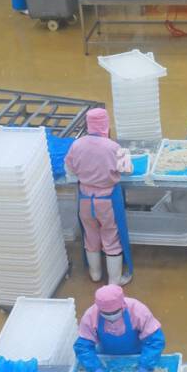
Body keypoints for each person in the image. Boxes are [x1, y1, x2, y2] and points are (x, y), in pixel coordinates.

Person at [65, 107, 134, 286]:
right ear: (106, 126)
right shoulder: (113, 147)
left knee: (91, 236)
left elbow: (70, 169)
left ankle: (95, 274)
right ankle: (114, 280)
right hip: (107, 200)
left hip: (86, 200)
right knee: (111, 237)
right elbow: (127, 169)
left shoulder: (77, 144)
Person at [73, 284, 164, 372]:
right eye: (106, 313)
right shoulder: (90, 316)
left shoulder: (138, 311)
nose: (111, 316)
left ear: (122, 305)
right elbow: (83, 346)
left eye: (115, 312)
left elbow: (155, 341)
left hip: (138, 354)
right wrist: (95, 368)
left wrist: (145, 366)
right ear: (99, 308)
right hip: (106, 356)